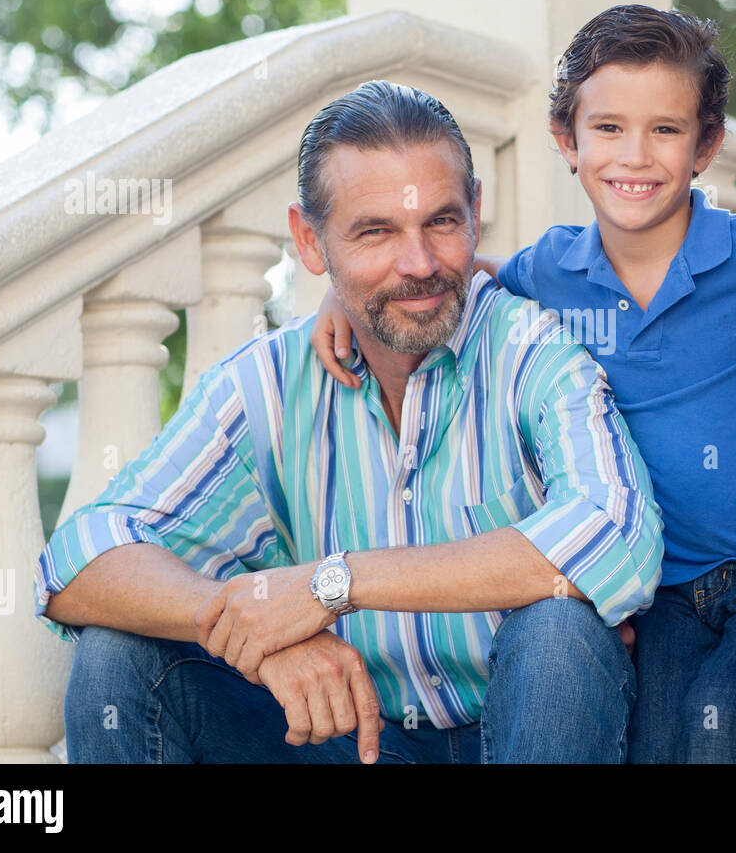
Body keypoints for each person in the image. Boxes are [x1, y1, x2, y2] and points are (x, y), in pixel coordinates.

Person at [33, 79, 664, 764]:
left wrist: (330, 584)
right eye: (376, 232)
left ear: (476, 214)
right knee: (116, 659)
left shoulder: (532, 350)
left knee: (558, 633)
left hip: (519, 735)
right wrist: (258, 626)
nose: (419, 265)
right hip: (353, 742)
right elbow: (78, 559)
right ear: (310, 240)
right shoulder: (268, 385)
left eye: (442, 223)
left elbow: (617, 536)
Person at [311, 4, 736, 763]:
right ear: (565, 140)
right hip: (659, 589)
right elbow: (448, 275)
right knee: (664, 739)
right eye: (608, 129)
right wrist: (336, 296)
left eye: (665, 130)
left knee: (725, 721)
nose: (634, 156)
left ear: (706, 145)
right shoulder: (550, 271)